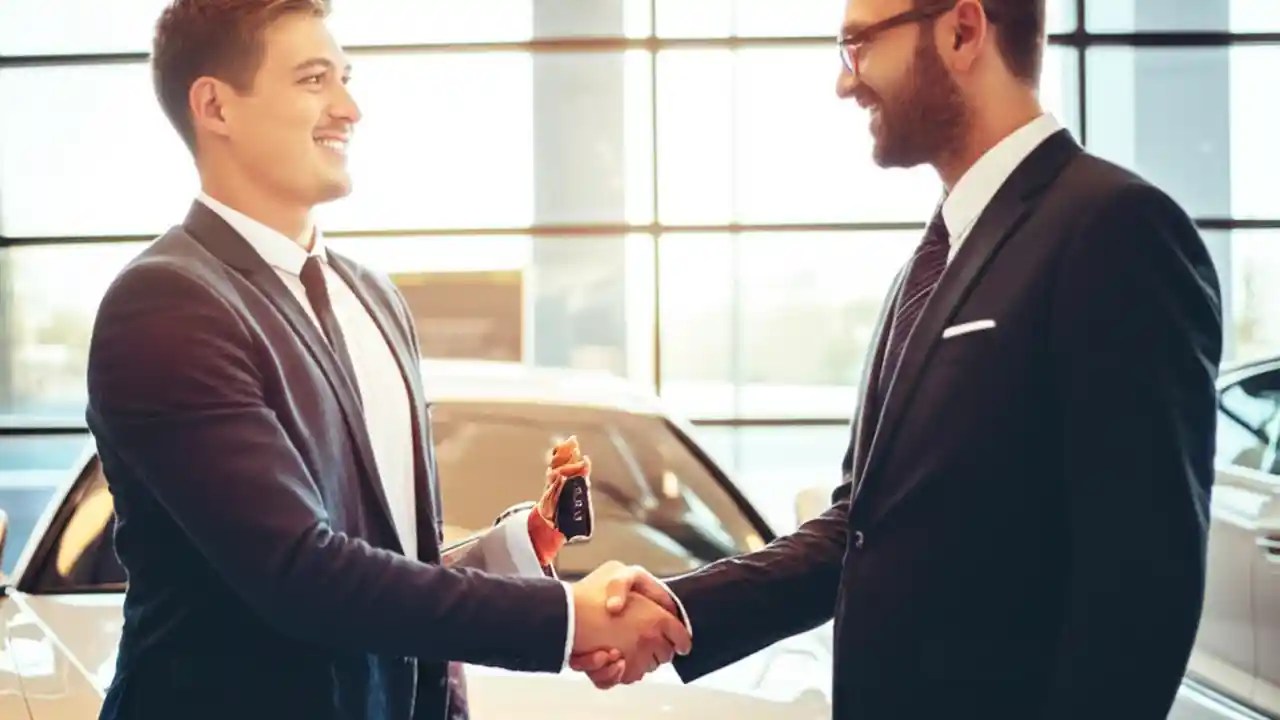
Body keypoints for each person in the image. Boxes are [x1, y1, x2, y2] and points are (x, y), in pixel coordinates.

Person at [577, 0, 1224, 717]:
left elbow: (1142, 584)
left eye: (857, 46)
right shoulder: (938, 255)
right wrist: (681, 606)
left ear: (962, 30)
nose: (845, 83)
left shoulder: (1117, 229)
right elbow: (864, 524)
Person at [85, 2, 687, 719]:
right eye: (314, 80)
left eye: (345, 77)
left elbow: (394, 568)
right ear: (216, 105)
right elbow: (301, 575)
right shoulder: (165, 304)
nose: (349, 108)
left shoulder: (371, 296)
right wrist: (569, 619)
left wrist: (513, 552)